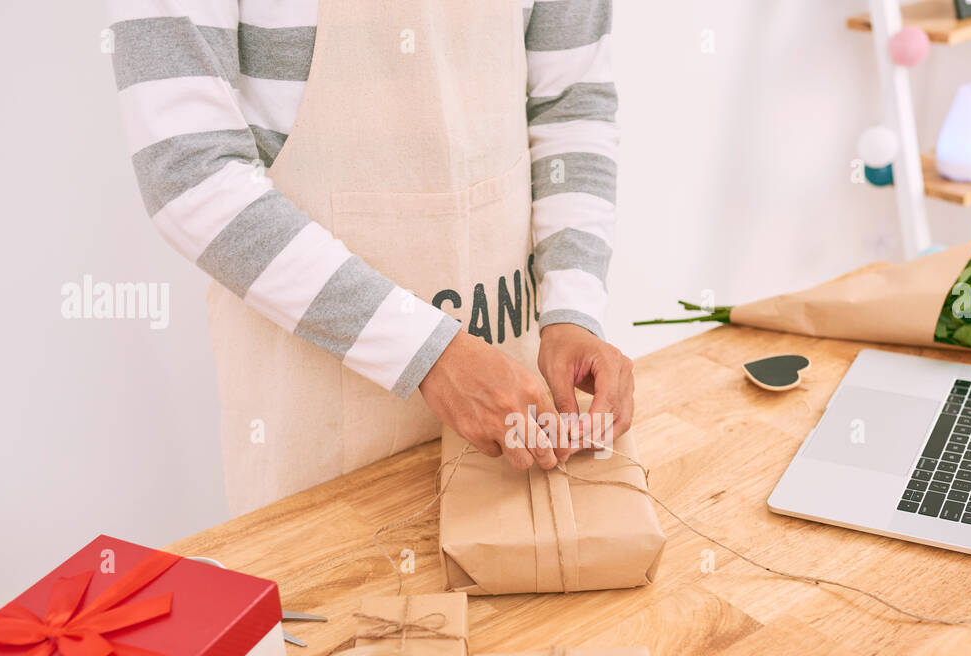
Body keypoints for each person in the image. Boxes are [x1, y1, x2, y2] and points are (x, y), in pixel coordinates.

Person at [108, 0, 633, 515]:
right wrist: (429, 353)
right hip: (318, 428)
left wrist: (572, 307)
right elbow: (189, 173)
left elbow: (571, 104)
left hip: (510, 396)